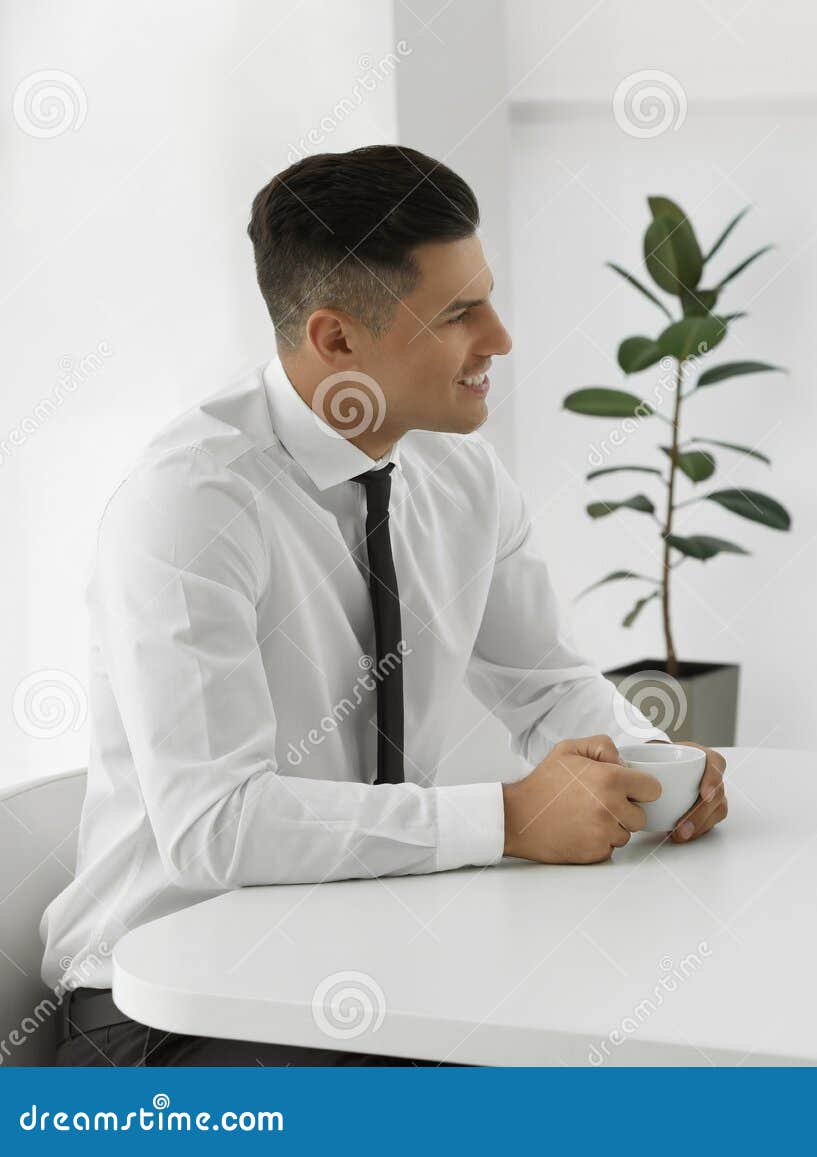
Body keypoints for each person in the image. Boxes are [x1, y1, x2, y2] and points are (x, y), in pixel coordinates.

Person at [43, 145, 729, 1066]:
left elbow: (547, 686)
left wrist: (652, 768)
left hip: (366, 958)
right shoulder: (191, 506)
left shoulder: (459, 470)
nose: (501, 337)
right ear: (336, 340)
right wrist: (512, 817)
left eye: (486, 296)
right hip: (162, 1012)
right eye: (459, 313)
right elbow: (219, 826)